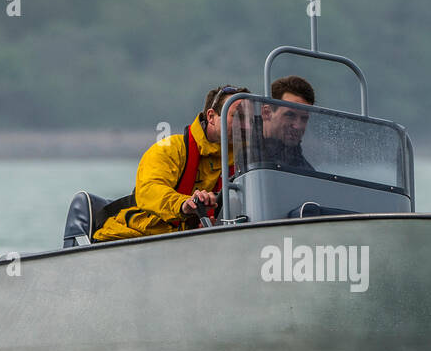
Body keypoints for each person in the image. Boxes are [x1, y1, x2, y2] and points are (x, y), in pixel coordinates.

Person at [93, 85, 250, 241]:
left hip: (191, 243)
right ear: (211, 117)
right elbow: (149, 190)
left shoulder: (247, 159)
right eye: (237, 116)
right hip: (132, 237)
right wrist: (184, 204)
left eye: (248, 118)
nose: (245, 125)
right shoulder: (169, 148)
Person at [258, 75, 317, 172]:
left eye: (304, 118)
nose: (297, 126)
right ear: (266, 113)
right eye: (290, 115)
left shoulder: (307, 171)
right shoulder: (240, 149)